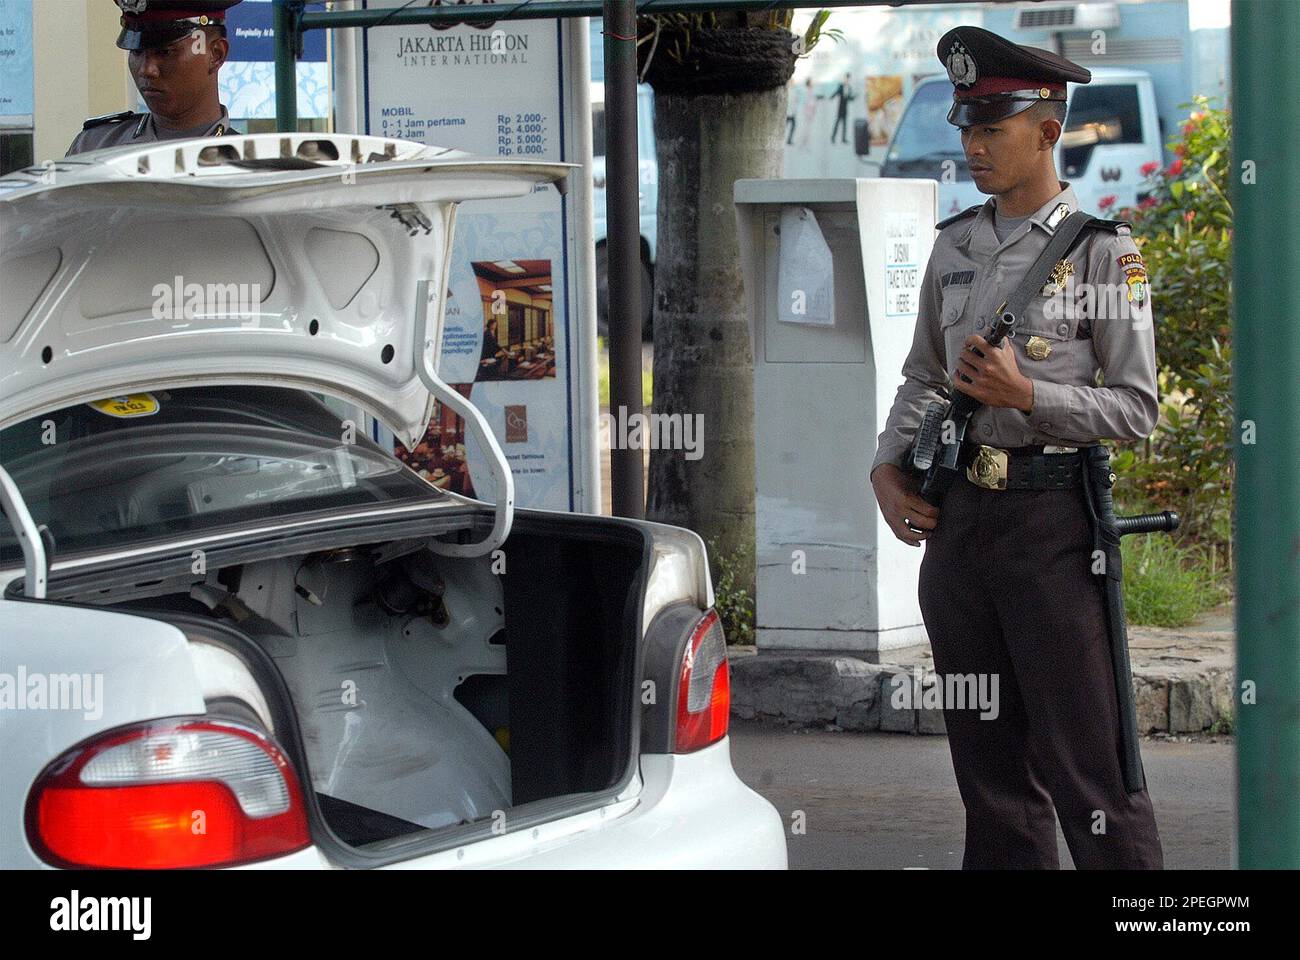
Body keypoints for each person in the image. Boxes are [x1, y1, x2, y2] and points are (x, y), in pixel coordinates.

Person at [868, 26, 1164, 869]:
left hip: (1052, 533)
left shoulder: (1109, 254)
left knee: (1088, 769)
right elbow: (923, 377)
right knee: (989, 776)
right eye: (967, 127)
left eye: (992, 128)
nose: (972, 146)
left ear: (1046, 130)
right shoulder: (953, 244)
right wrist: (885, 470)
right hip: (962, 529)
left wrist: (1028, 395)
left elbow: (1137, 409)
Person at [66, 0, 241, 156]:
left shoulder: (253, 166)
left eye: (165, 52)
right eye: (137, 51)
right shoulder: (94, 148)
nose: (146, 70)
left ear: (216, 55)